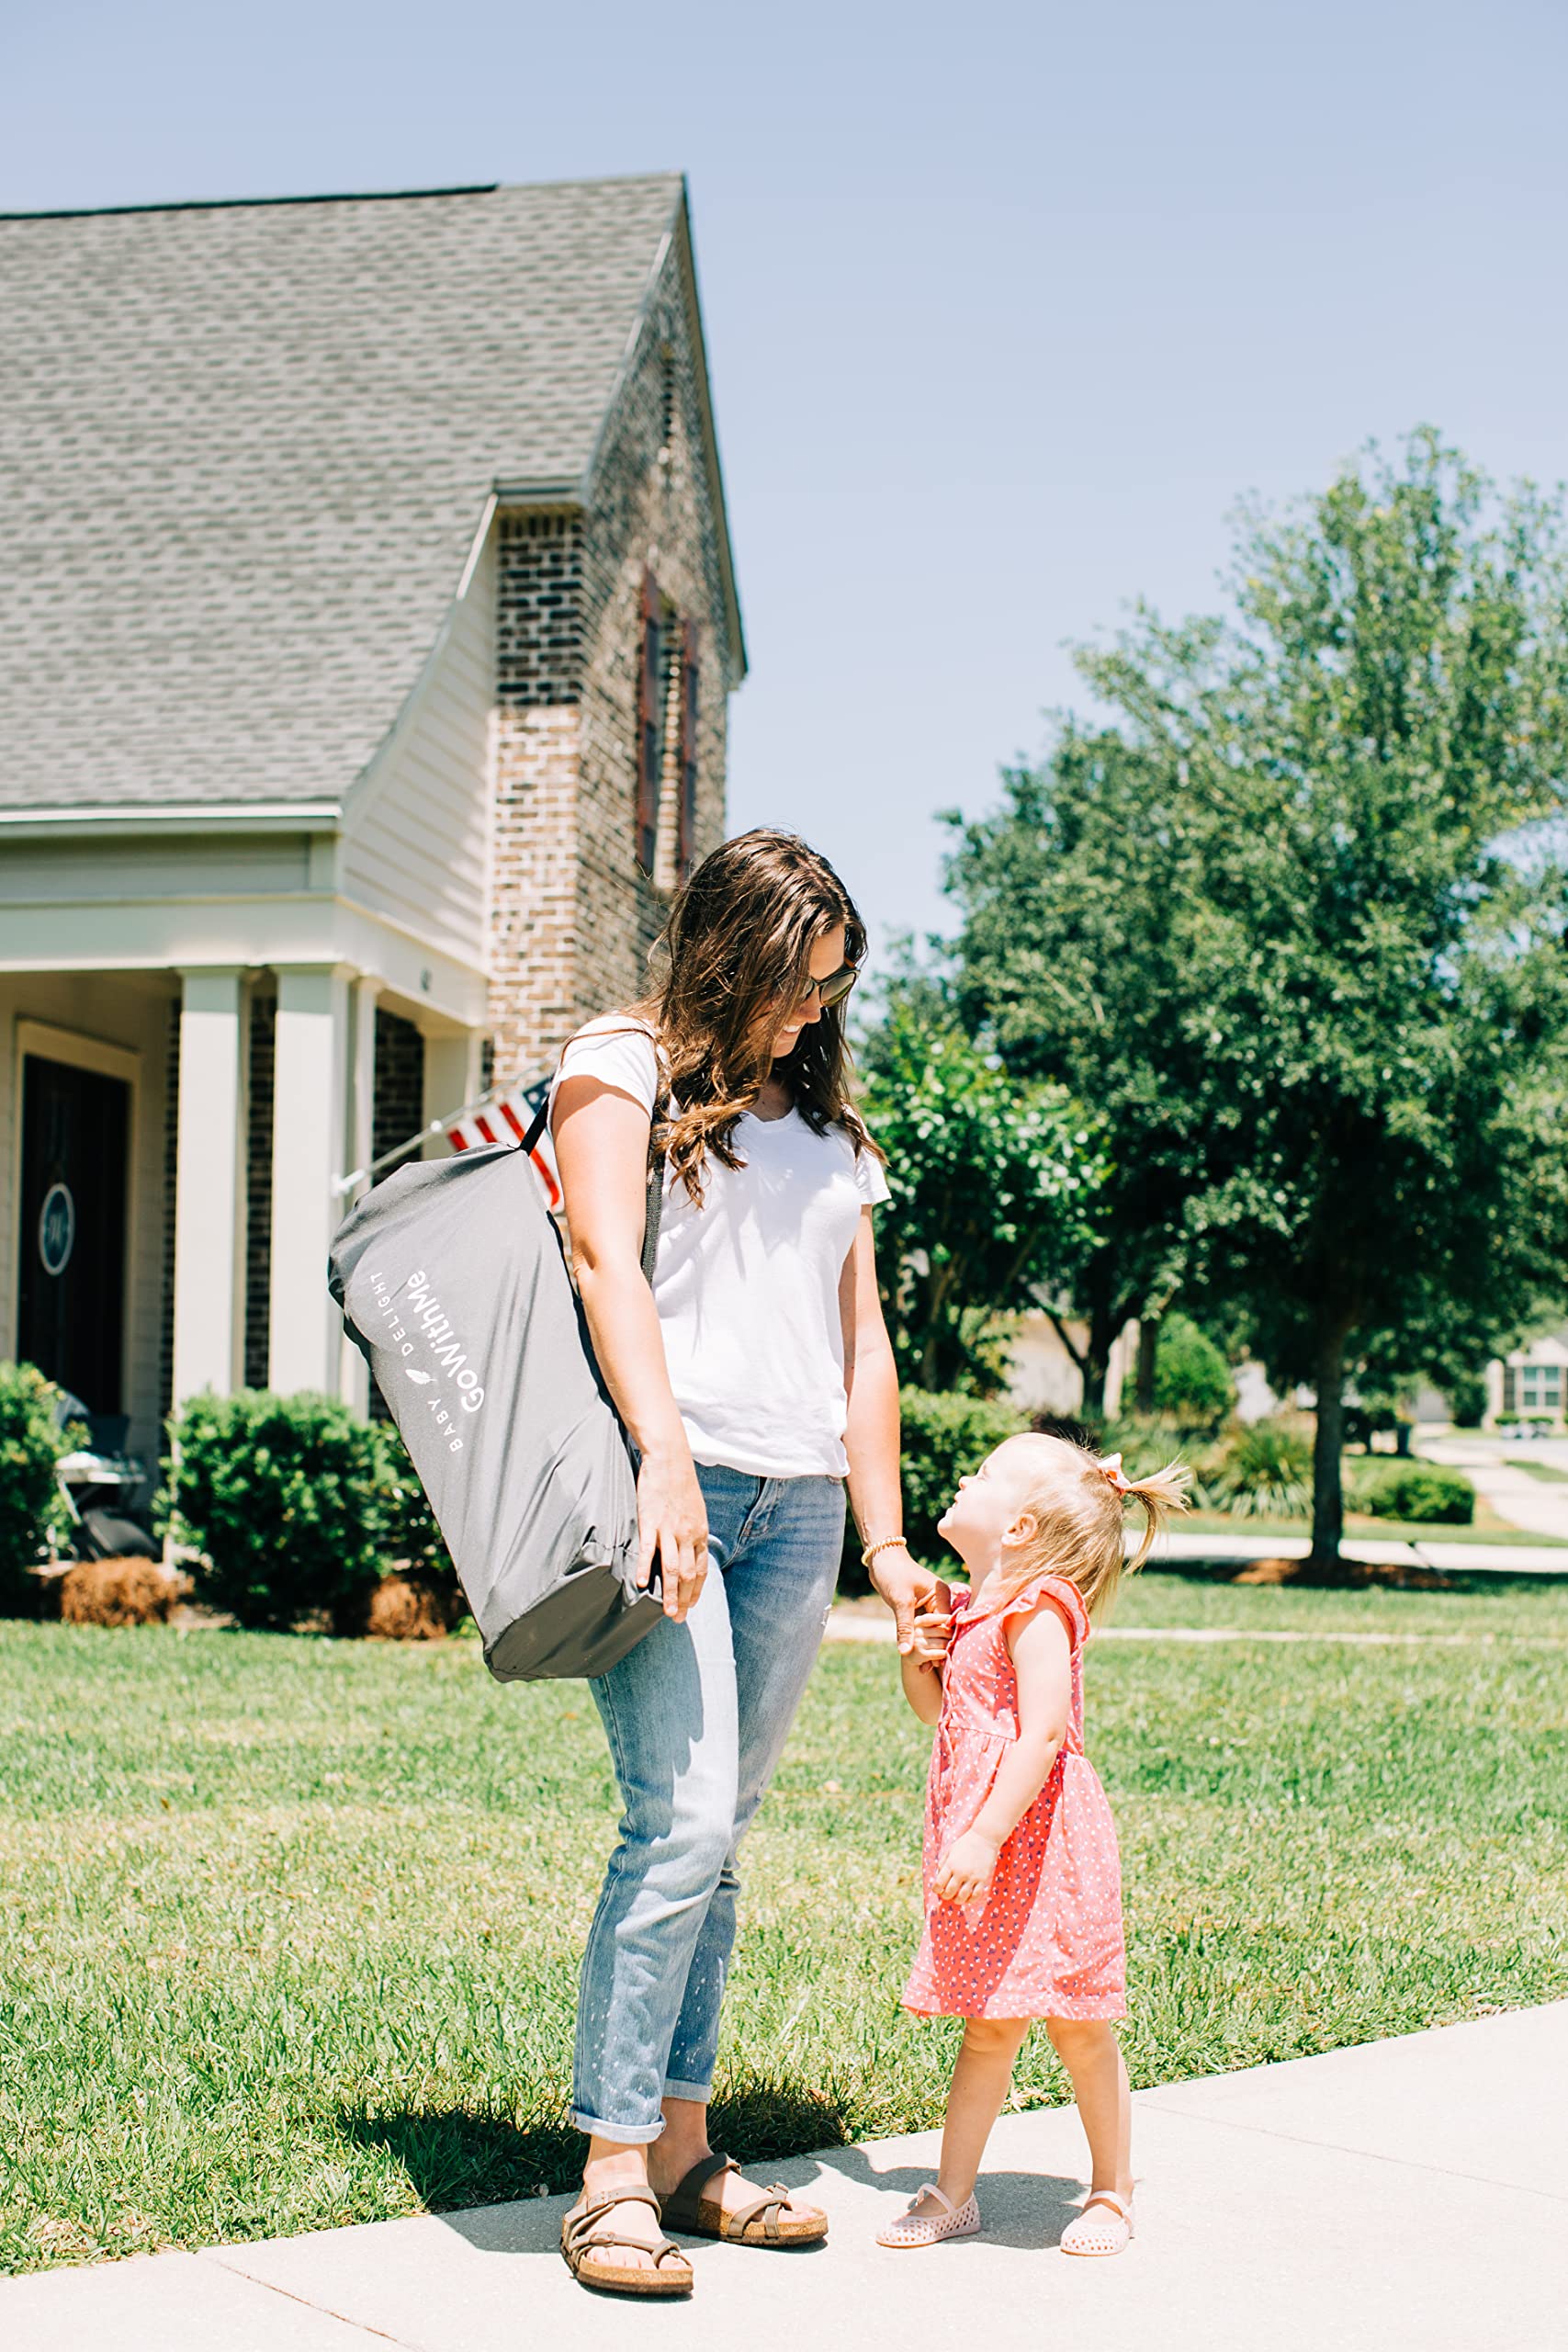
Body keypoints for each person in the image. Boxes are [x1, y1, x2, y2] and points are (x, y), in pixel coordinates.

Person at [550, 829, 933, 2299]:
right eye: (793, 984)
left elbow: (863, 1344)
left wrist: (886, 1545)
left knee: (723, 1833)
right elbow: (601, 1265)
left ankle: (686, 2150)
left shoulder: (828, 1128)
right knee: (681, 1816)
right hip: (682, 1483)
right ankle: (605, 2173)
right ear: (729, 950)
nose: (812, 1015)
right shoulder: (623, 1064)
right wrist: (658, 1454)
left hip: (801, 1507)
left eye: (831, 990)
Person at [876, 1433, 1189, 2257]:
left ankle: (1111, 2193)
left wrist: (982, 1834)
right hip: (990, 1848)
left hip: (1039, 1843)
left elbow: (1044, 1731)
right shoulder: (971, 1605)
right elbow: (939, 1716)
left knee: (1076, 2024)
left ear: (1017, 1529)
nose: (961, 1479)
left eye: (980, 1475)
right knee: (987, 2024)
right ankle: (954, 2193)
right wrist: (917, 1661)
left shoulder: (1039, 1603)